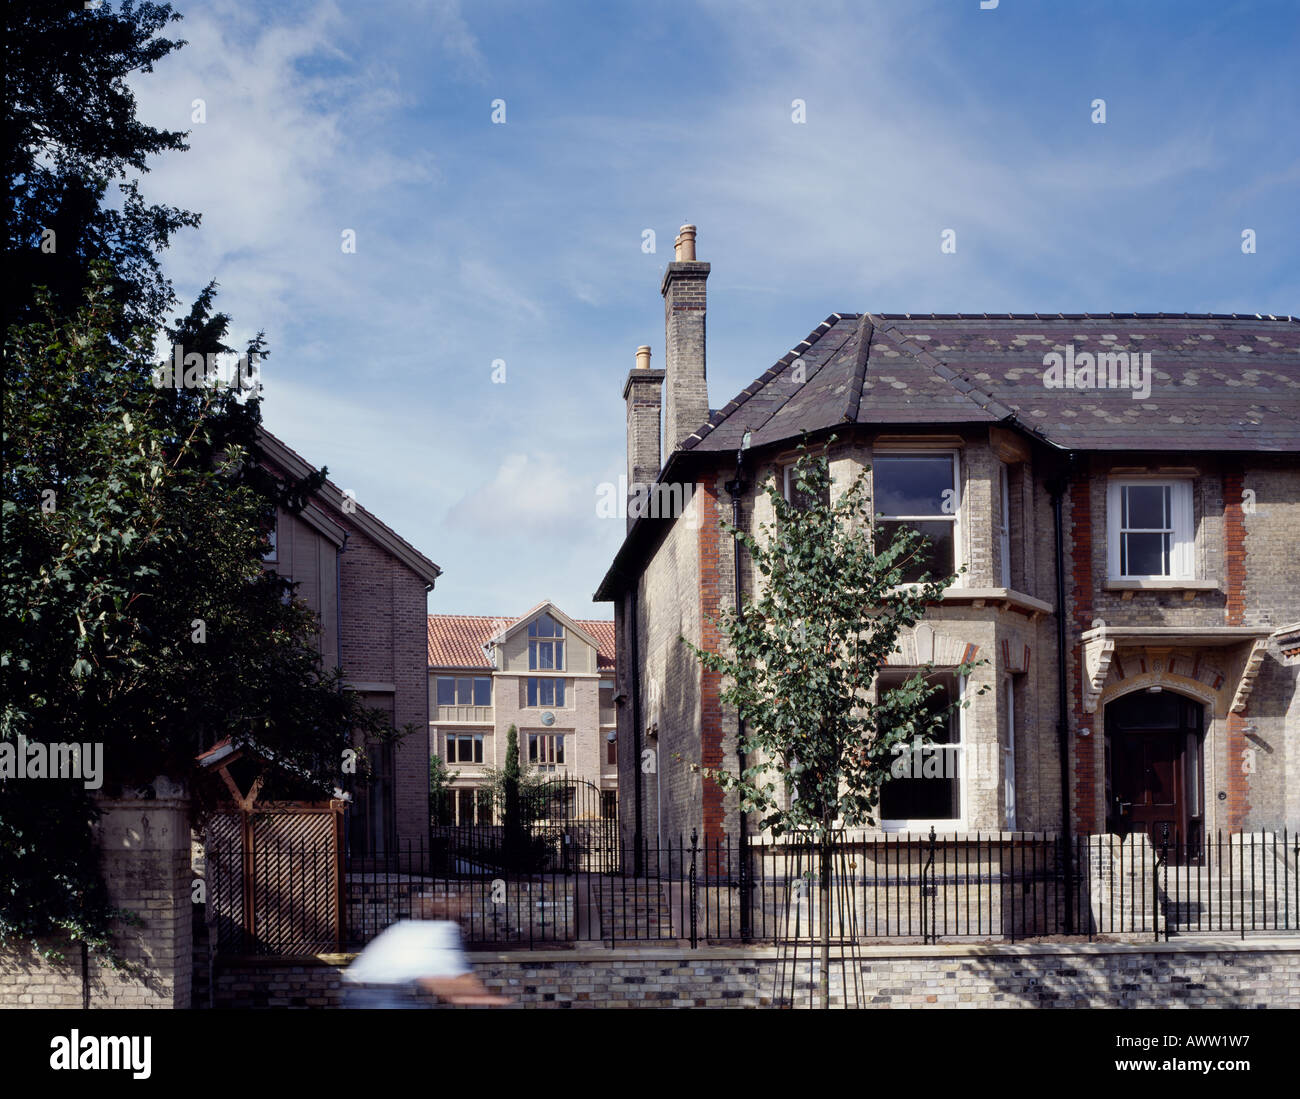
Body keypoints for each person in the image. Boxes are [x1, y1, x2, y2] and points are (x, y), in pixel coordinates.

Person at [342, 898, 511, 1008]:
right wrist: (495, 1000)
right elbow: (452, 990)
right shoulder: (442, 935)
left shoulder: (411, 929)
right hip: (374, 998)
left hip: (357, 992)